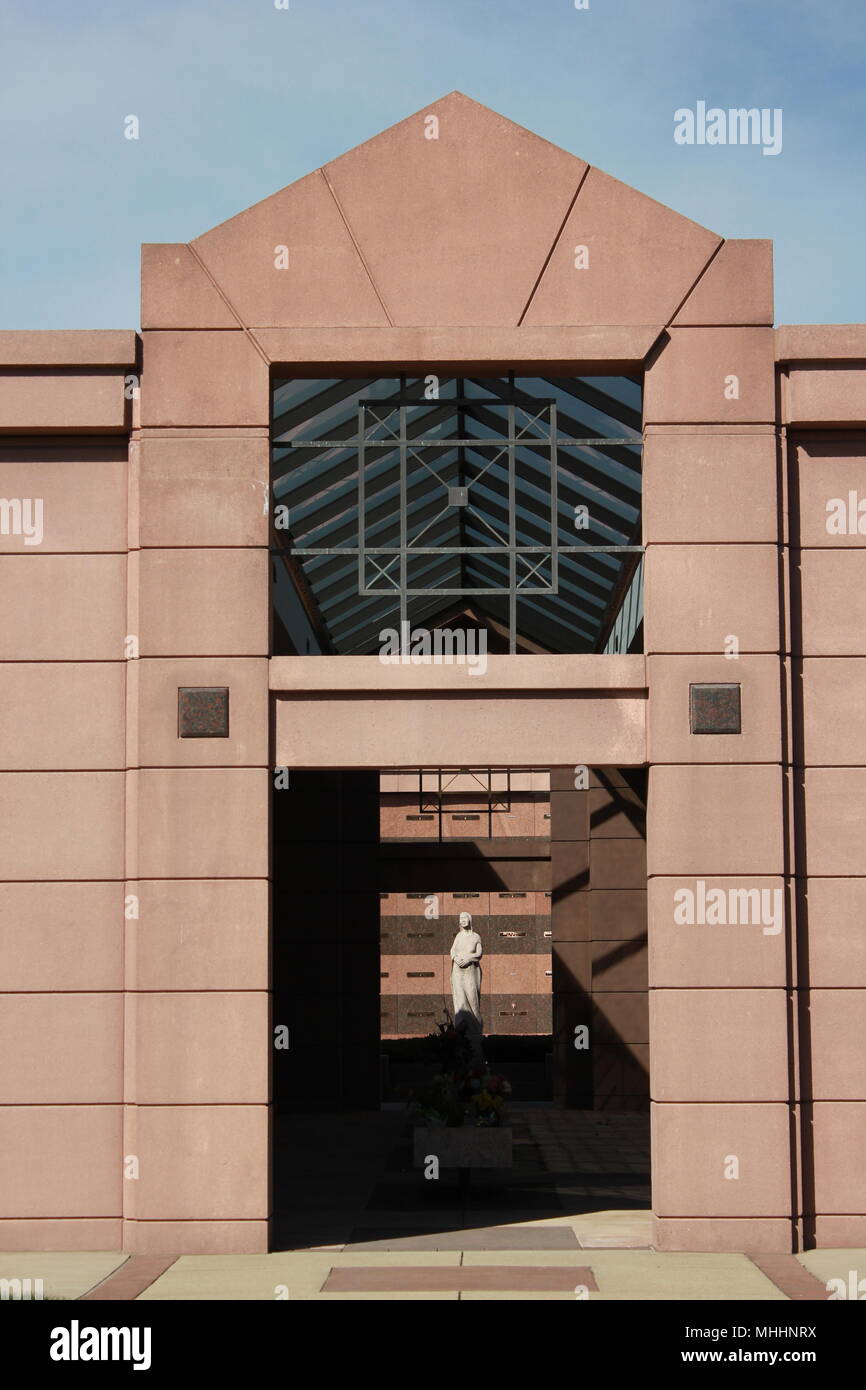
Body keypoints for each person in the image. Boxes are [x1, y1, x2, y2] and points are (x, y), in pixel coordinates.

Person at [450, 910, 483, 1045]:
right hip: (457, 971)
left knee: (472, 1000)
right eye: (460, 918)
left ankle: (475, 1030)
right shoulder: (458, 936)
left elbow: (479, 953)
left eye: (464, 918)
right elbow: (452, 950)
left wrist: (469, 958)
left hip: (470, 971)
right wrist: (456, 958)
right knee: (460, 1001)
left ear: (469, 920)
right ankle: (460, 1030)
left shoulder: (476, 937)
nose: (462, 920)